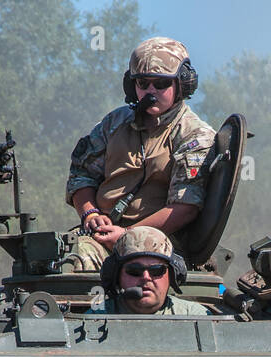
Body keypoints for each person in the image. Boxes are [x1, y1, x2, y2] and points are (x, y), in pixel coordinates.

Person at [63, 37, 216, 273]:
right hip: (101, 235)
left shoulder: (195, 136)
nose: (151, 91)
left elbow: (185, 207)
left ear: (182, 84)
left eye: (161, 83)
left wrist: (126, 236)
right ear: (131, 85)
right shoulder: (114, 124)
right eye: (143, 83)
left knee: (77, 261)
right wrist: (90, 213)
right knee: (54, 257)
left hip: (161, 243)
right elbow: (81, 175)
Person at [97, 226, 213, 315]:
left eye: (156, 270)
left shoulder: (194, 316)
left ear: (172, 276)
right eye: (134, 270)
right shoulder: (98, 318)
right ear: (117, 276)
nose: (146, 277)